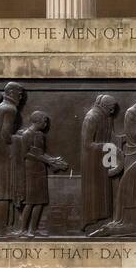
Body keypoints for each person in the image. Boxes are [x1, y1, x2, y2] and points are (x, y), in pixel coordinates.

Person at [20, 111, 70, 236]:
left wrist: (53, 160)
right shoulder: (26, 134)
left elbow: (41, 153)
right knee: (30, 201)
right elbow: (25, 154)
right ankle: (23, 230)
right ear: (37, 121)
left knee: (40, 201)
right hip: (30, 170)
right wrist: (47, 160)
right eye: (44, 121)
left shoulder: (40, 135)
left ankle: (33, 229)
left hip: (41, 169)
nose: (46, 124)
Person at [80, 94, 121, 233]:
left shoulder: (107, 117)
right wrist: (108, 146)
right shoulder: (91, 117)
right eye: (110, 108)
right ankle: (90, 222)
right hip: (92, 162)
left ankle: (104, 220)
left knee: (106, 191)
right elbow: (87, 144)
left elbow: (112, 136)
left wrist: (126, 139)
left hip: (105, 158)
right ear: (103, 106)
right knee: (95, 192)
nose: (112, 112)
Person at [0, 82, 25, 235]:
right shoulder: (10, 109)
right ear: (10, 92)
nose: (21, 97)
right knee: (4, 193)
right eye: (19, 94)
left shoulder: (0, 107)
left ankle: (3, 227)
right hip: (5, 155)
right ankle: (1, 229)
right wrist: (19, 138)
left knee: (2, 192)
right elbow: (5, 135)